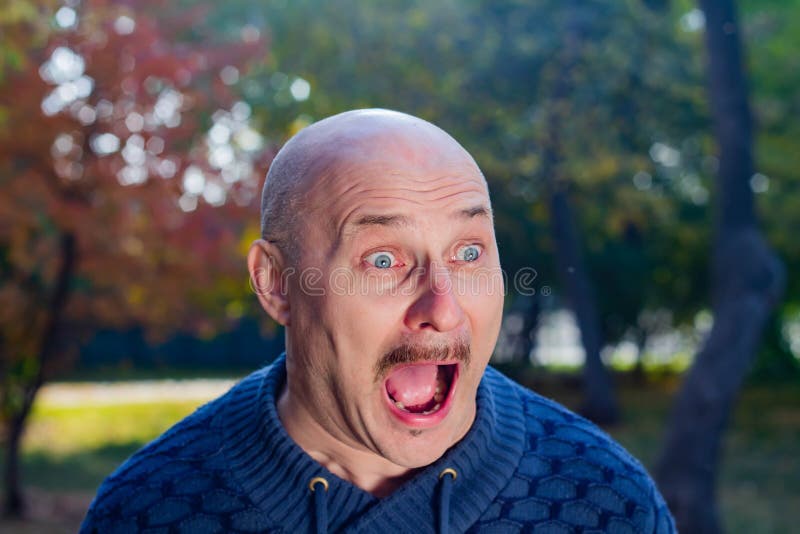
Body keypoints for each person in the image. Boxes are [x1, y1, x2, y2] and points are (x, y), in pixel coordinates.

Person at [81, 109, 675, 533]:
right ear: (276, 284)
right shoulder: (147, 511)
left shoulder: (605, 499)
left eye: (469, 253)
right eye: (383, 259)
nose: (441, 307)